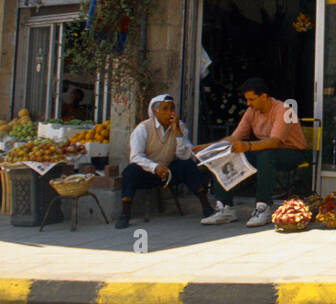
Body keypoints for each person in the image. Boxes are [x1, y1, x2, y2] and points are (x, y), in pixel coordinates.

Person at [201, 76, 307, 228]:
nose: (248, 103)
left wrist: (248, 146)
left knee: (266, 154)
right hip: (265, 151)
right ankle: (225, 207)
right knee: (226, 155)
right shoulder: (251, 111)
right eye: (247, 100)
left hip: (291, 152)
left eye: (251, 99)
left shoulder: (283, 109)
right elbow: (235, 137)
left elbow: (274, 142)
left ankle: (263, 206)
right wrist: (209, 147)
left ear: (263, 97)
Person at [116, 93, 214, 229]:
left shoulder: (179, 127)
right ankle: (125, 214)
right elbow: (135, 156)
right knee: (130, 171)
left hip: (168, 172)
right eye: (165, 109)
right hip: (148, 172)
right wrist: (154, 167)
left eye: (172, 109)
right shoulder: (143, 128)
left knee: (187, 165)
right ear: (155, 111)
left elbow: (185, 155)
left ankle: (206, 207)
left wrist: (178, 134)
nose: (170, 113)